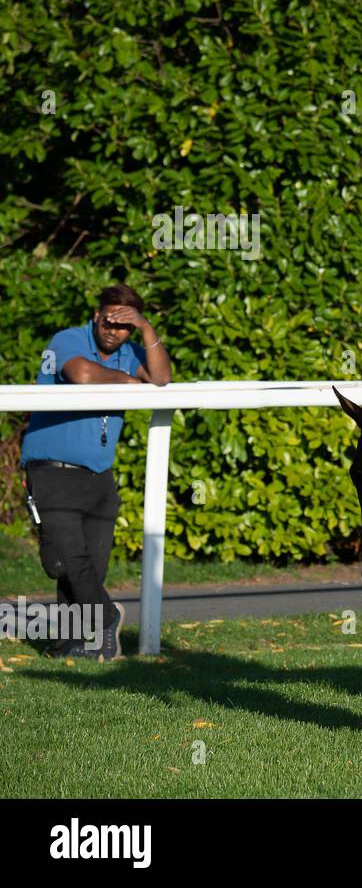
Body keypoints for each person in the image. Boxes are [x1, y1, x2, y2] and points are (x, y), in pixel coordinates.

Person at [20, 283, 172, 660]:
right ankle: (107, 617)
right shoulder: (67, 339)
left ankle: (69, 644)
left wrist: (146, 329)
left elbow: (163, 378)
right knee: (66, 561)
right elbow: (82, 375)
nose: (113, 331)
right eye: (108, 321)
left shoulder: (132, 347)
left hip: (100, 477)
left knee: (88, 567)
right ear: (96, 316)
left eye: (124, 326)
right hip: (53, 473)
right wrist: (130, 383)